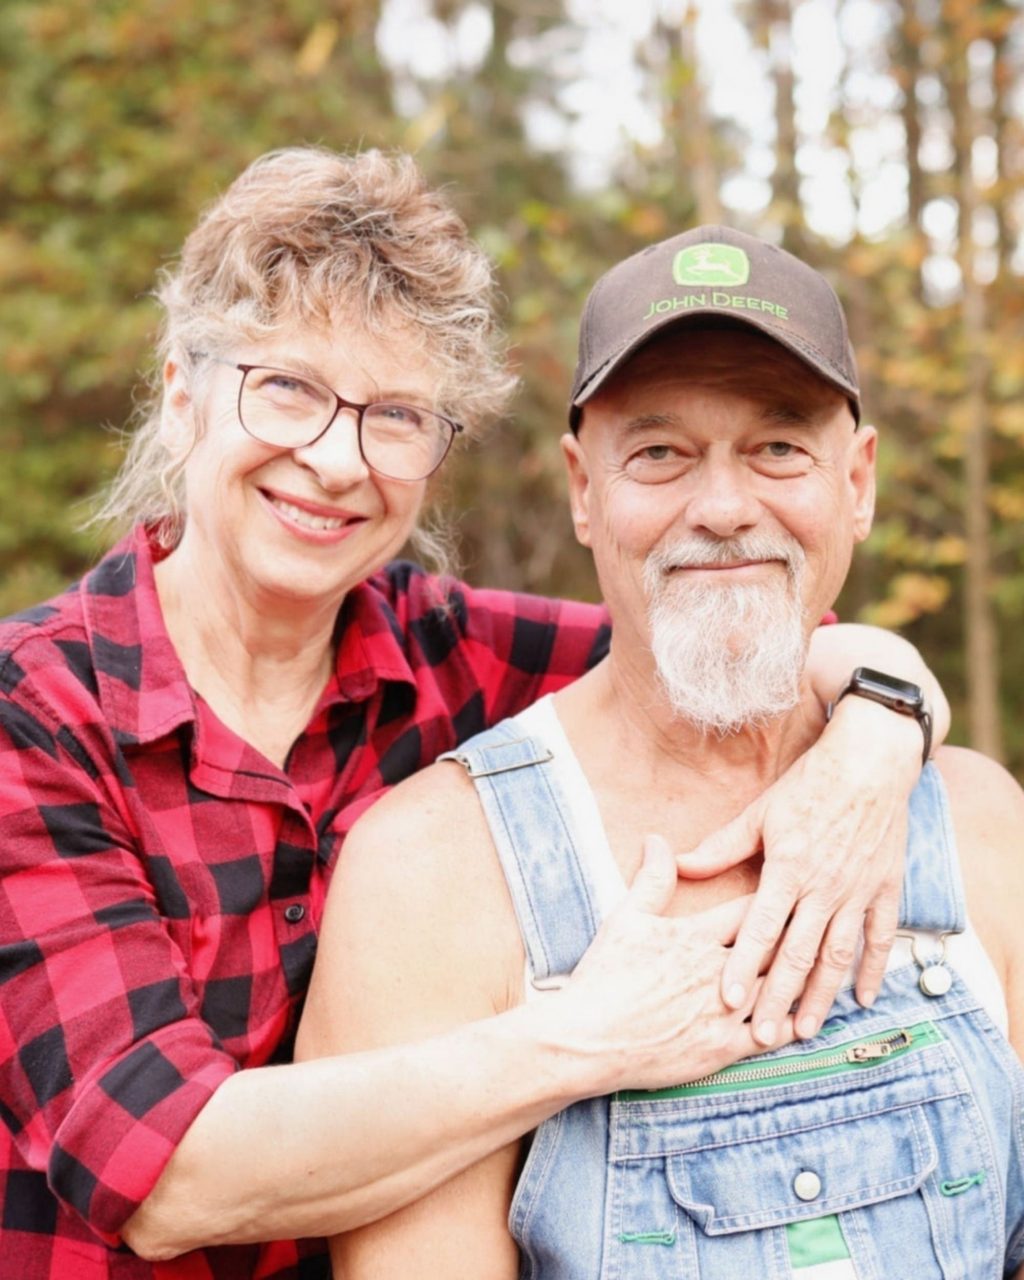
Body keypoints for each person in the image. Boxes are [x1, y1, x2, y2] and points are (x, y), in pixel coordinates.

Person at [0, 149, 949, 1280]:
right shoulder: (37, 712)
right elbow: (160, 1174)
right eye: (287, 388)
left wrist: (883, 723)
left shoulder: (454, 651)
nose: (334, 459)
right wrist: (584, 1040)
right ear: (181, 391)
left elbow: (741, 623)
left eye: (395, 415)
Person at [299, 225, 1024, 1279]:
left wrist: (886, 718)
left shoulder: (977, 822)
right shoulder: (434, 873)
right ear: (583, 490)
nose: (724, 508)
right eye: (659, 454)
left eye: (778, 447)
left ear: (856, 482)